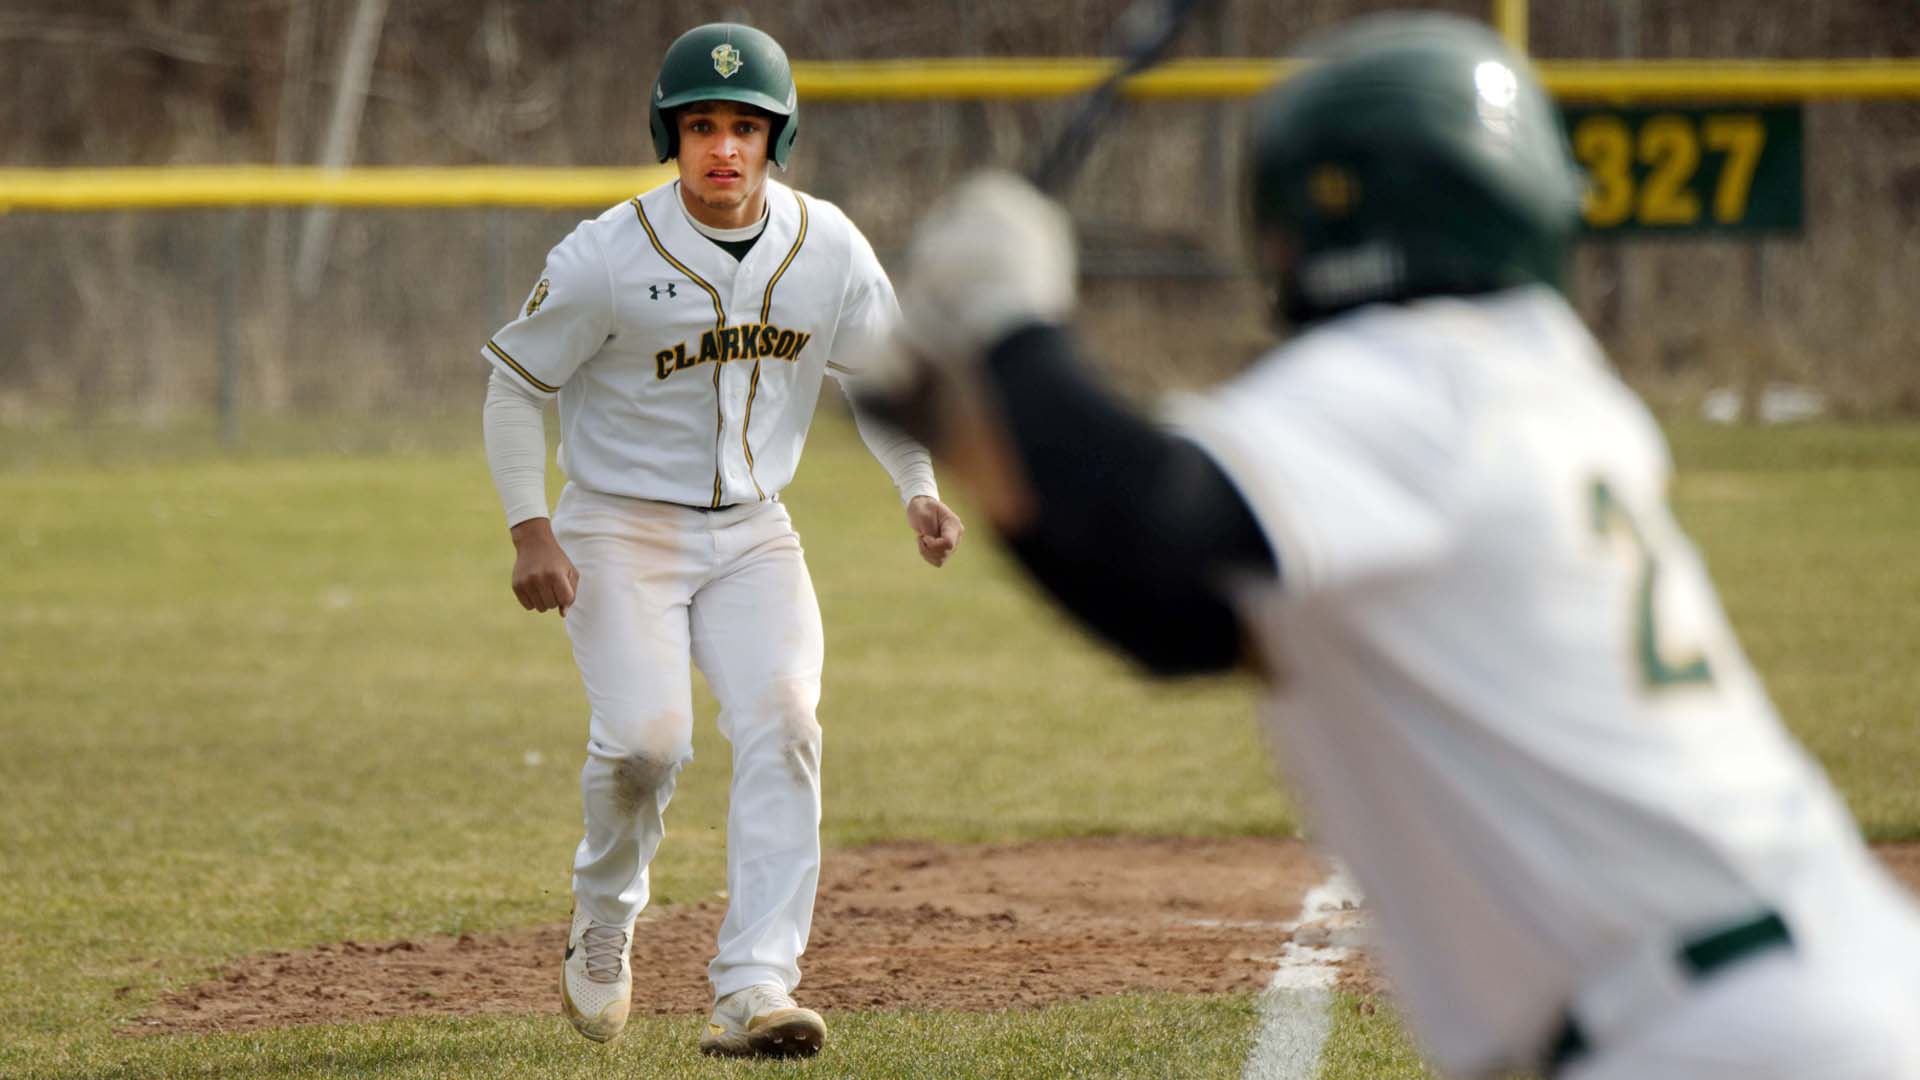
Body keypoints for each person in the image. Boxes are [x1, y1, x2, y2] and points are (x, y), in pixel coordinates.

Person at [862, 13, 1920, 1079]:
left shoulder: (1423, 372)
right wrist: (972, 427)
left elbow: (1157, 524)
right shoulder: (1533, 374)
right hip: (1788, 999)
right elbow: (1179, 620)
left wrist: (1014, 325)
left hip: (1728, 1036)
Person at [479, 22, 964, 1058]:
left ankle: (754, 988)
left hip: (754, 533)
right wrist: (530, 529)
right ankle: (605, 918)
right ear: (671, 133)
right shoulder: (607, 253)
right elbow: (517, 386)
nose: (724, 148)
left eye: (746, 126)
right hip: (616, 528)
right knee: (650, 744)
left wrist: (916, 487)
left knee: (787, 721)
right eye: (702, 125)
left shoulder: (826, 245)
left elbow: (880, 381)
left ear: (776, 139)